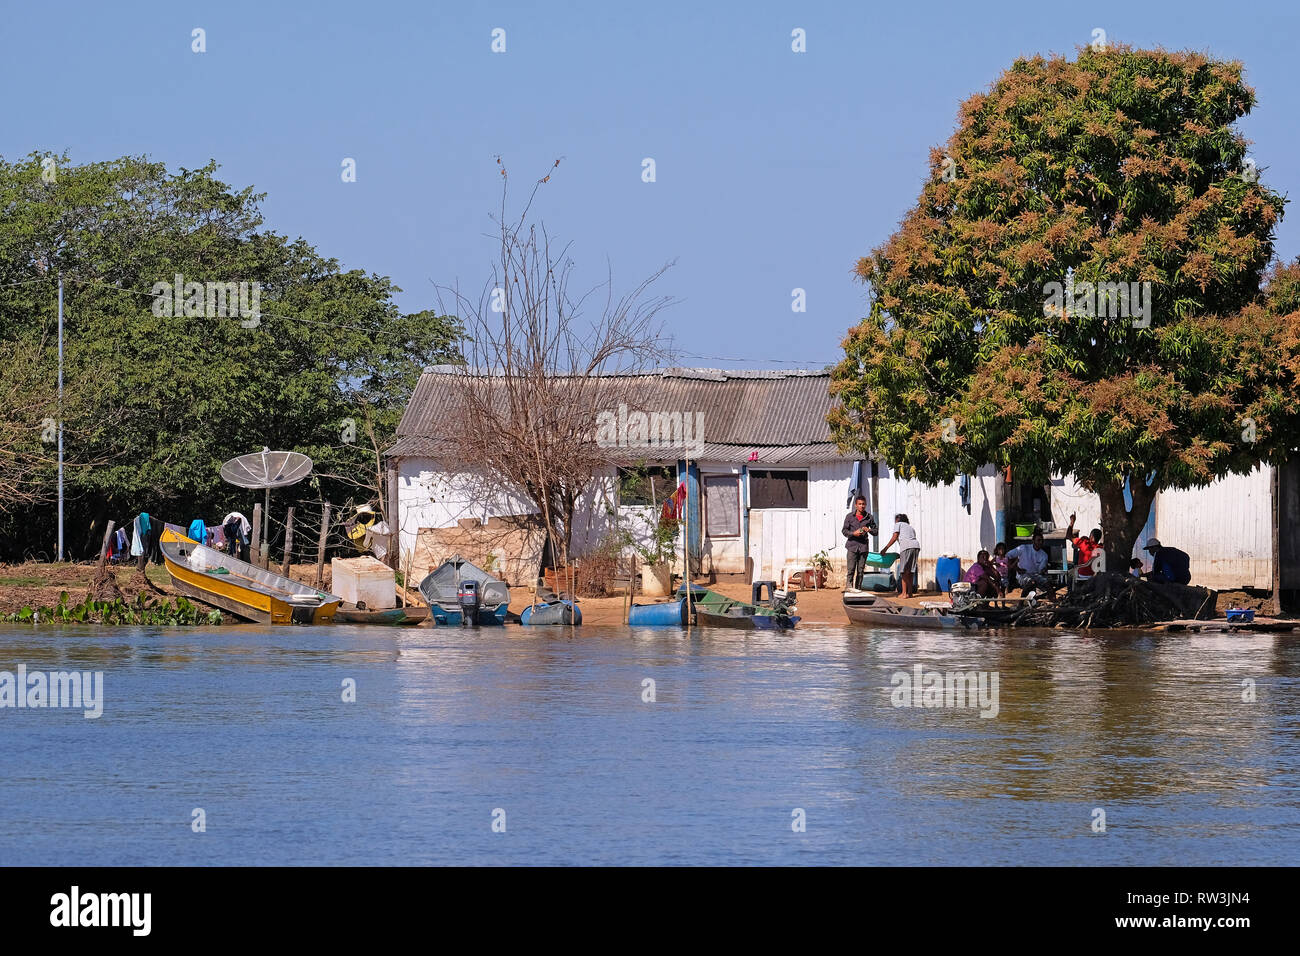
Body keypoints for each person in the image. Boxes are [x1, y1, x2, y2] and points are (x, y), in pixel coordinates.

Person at [841, 495, 877, 591]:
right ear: (855, 505)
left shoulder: (869, 517)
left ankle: (858, 590)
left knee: (860, 571)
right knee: (851, 570)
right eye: (860, 504)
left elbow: (876, 531)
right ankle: (849, 589)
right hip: (852, 546)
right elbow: (844, 531)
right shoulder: (849, 517)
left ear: (866, 505)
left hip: (863, 547)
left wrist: (868, 530)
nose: (862, 506)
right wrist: (853, 533)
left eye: (863, 504)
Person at [881, 513, 920, 598]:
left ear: (897, 520)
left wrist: (885, 549)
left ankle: (904, 593)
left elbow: (895, 537)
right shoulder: (911, 527)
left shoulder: (898, 524)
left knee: (904, 571)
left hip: (906, 546)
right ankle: (910, 593)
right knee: (910, 571)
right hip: (916, 546)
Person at [1007, 531, 1052, 595]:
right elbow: (1007, 556)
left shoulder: (1044, 555)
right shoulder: (1023, 548)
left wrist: (1043, 570)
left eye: (1042, 540)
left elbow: (1040, 570)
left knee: (1048, 584)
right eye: (1038, 540)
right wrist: (1017, 569)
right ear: (1033, 541)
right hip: (1022, 575)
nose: (1041, 542)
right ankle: (1021, 602)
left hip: (1035, 575)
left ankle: (1054, 601)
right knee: (1031, 583)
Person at [1065, 513, 1103, 578]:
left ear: (1091, 536)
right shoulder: (1101, 548)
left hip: (1081, 574)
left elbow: (1068, 535)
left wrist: (1072, 522)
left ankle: (1071, 587)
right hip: (1095, 576)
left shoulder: (1084, 542)